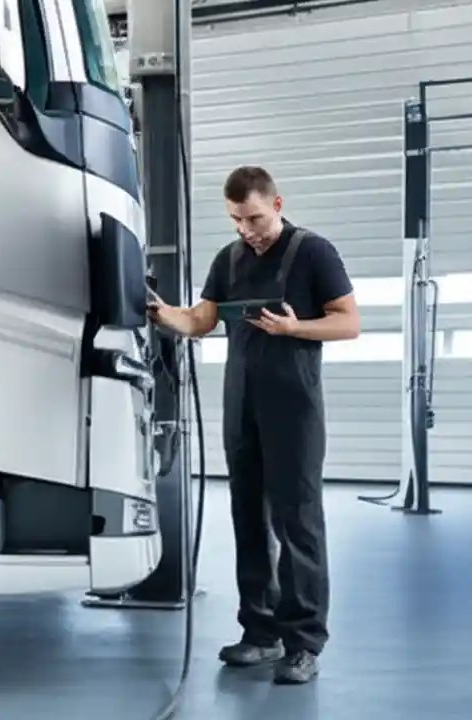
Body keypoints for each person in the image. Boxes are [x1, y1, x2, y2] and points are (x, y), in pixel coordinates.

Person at [148, 166, 359, 685]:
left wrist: (296, 327)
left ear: (278, 204)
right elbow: (202, 318)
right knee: (248, 517)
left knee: (298, 522)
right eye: (238, 219)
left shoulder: (314, 252)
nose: (248, 229)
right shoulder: (230, 258)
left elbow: (349, 322)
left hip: (294, 406)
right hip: (242, 404)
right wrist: (161, 313)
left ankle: (303, 643)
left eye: (256, 218)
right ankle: (259, 634)